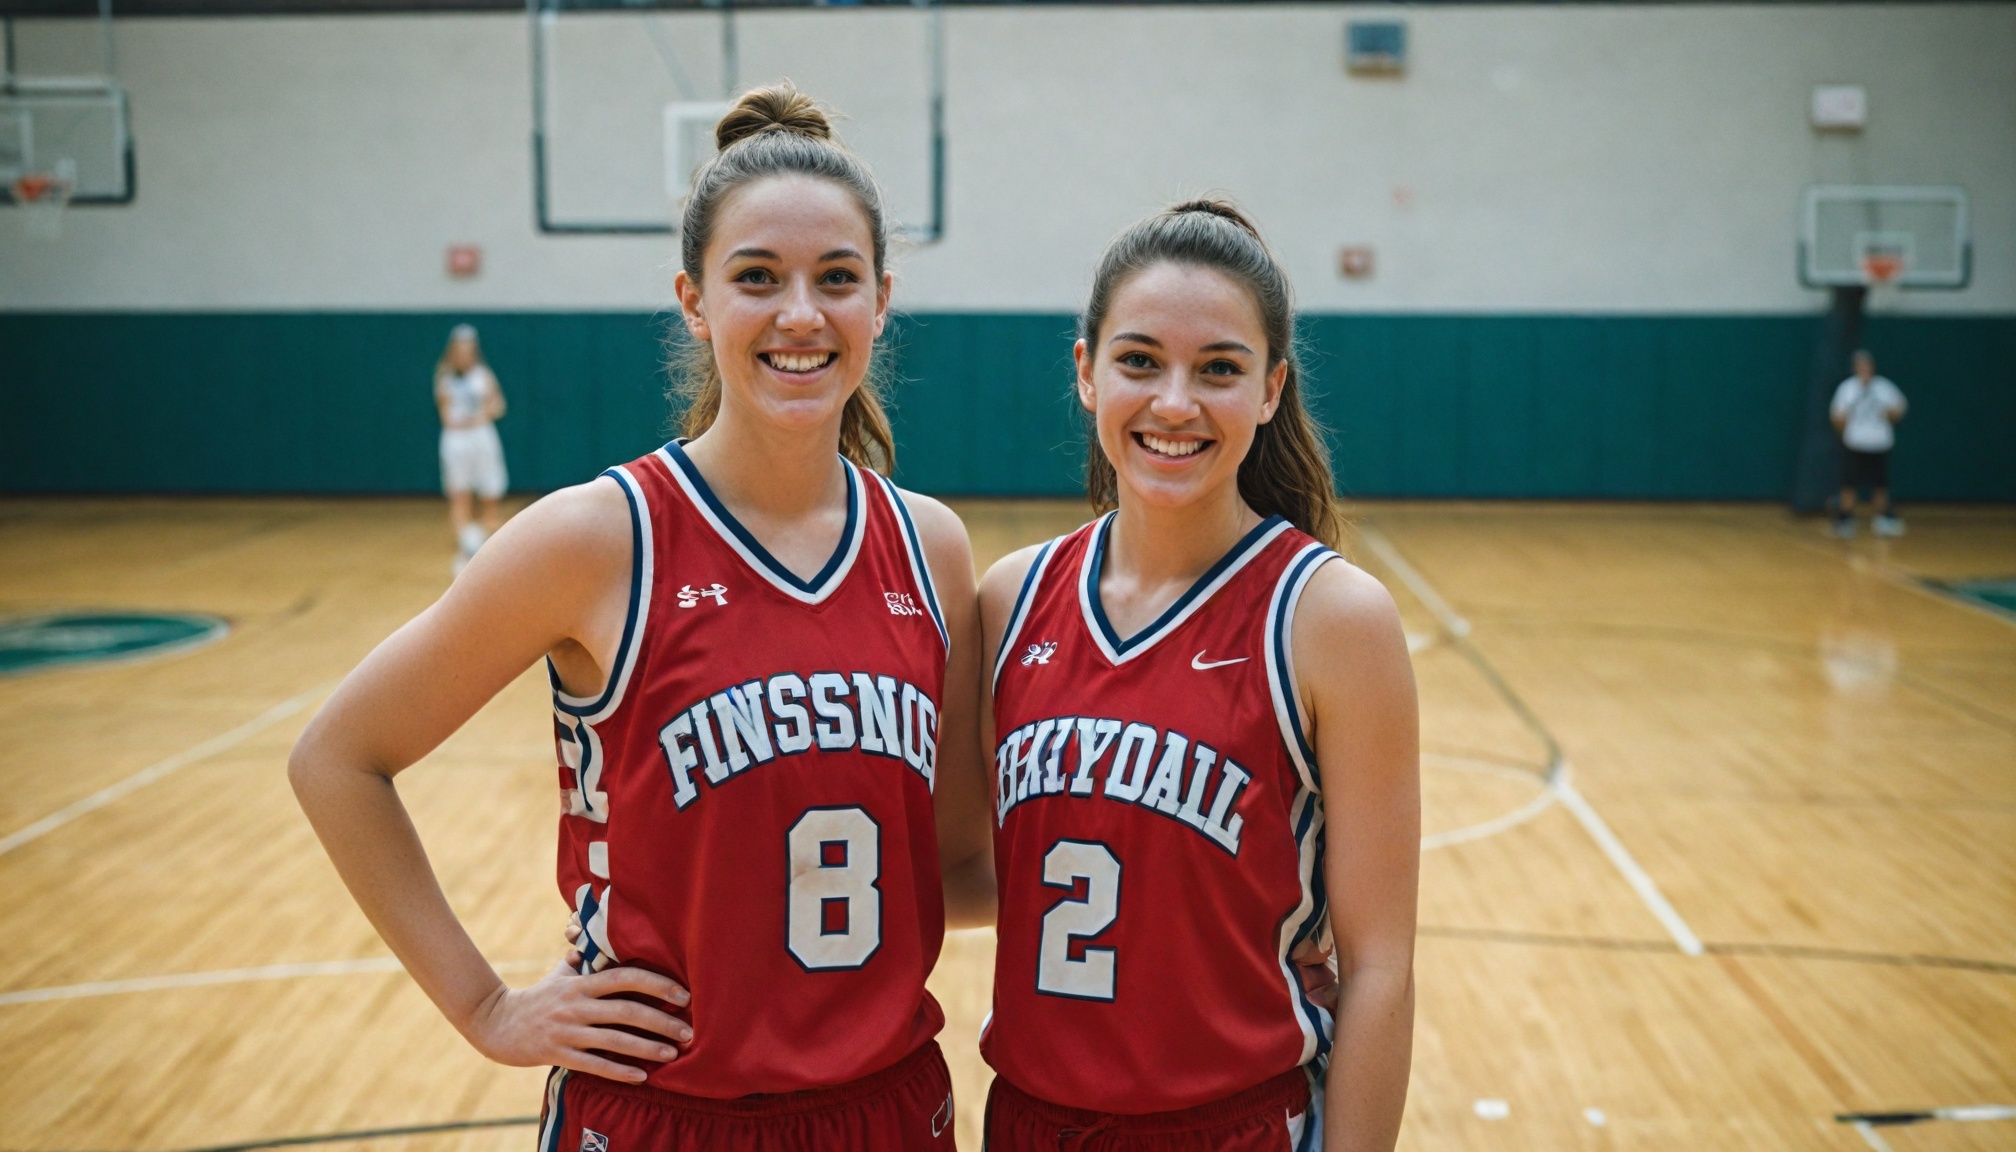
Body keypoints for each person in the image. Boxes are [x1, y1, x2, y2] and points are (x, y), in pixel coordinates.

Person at [291, 84, 991, 1152]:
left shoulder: (930, 551)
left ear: (880, 302)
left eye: (836, 280)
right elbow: (337, 759)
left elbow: (947, 866)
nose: (800, 314)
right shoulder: (595, 541)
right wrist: (486, 1009)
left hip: (890, 1106)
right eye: (756, 278)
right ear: (694, 300)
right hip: (661, 1115)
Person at [976, 201, 1419, 1151]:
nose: (1176, 403)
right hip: (1030, 1122)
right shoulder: (1010, 603)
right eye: (1140, 361)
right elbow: (956, 875)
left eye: (1218, 369)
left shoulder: (1330, 619)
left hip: (1238, 1125)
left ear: (1270, 390)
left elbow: (1380, 963)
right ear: (1086, 372)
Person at [435, 324, 509, 573]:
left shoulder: (483, 375)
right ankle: (465, 548)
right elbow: (445, 412)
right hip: (456, 441)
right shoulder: (444, 377)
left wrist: (482, 416)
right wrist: (461, 421)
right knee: (460, 493)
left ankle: (493, 547)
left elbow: (498, 405)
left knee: (490, 490)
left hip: (481, 437)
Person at [1829, 349, 1907, 538]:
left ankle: (1883, 518)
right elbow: (1837, 415)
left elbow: (1900, 409)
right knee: (1849, 482)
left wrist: (1890, 415)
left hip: (1879, 444)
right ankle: (1846, 518)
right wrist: (1846, 431)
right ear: (1855, 368)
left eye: (1867, 365)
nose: (1864, 369)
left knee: (1879, 483)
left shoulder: (1884, 387)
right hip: (1855, 444)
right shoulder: (1847, 388)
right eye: (1860, 366)